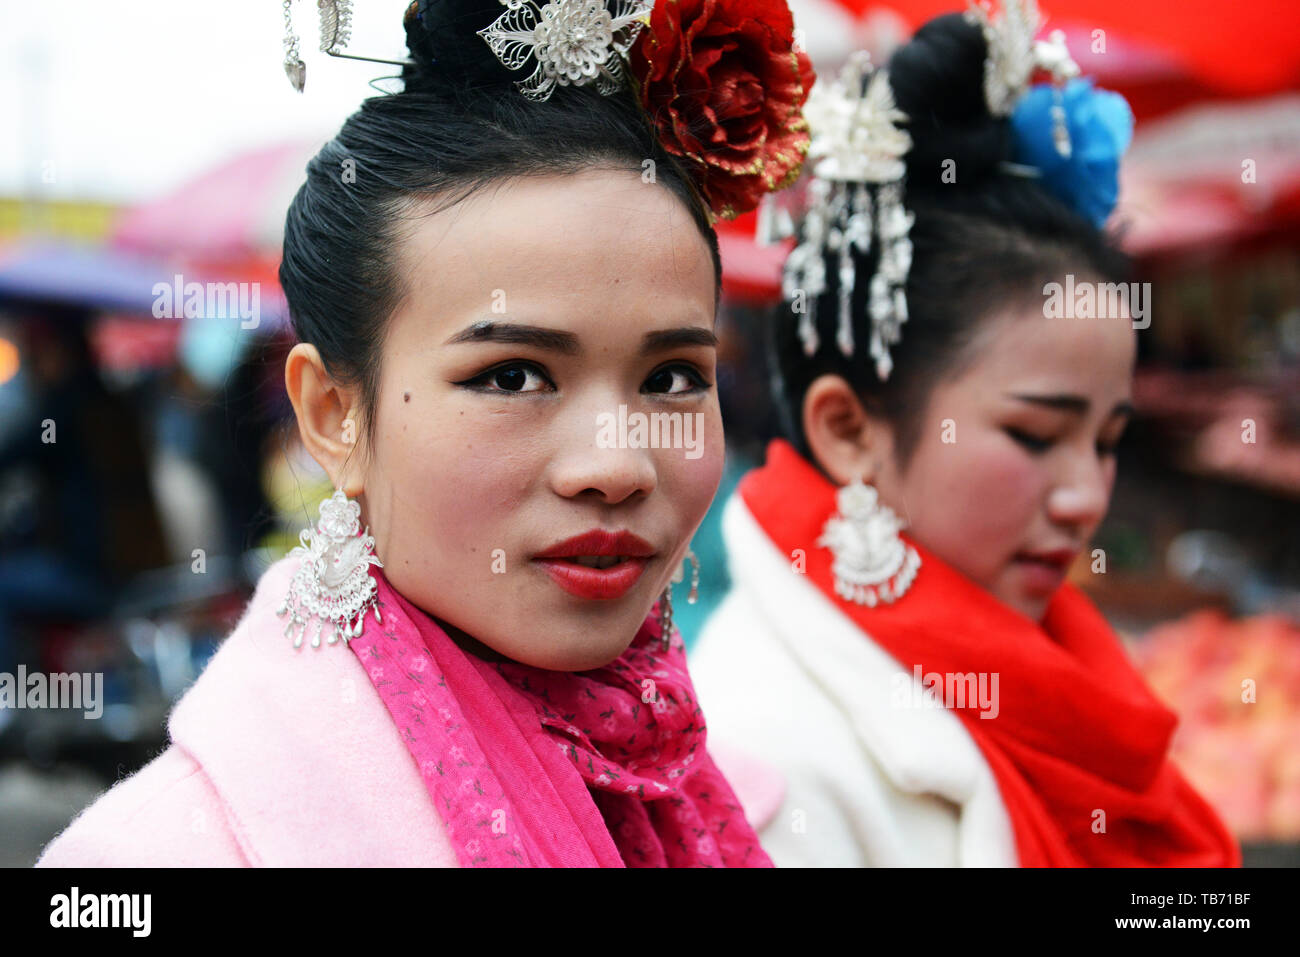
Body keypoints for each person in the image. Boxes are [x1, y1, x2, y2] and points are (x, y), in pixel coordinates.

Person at [36, 0, 814, 867]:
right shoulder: (153, 857)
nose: (617, 464)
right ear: (334, 414)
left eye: (671, 378)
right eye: (512, 376)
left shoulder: (727, 797)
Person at [688, 6, 1242, 867]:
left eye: (1105, 440)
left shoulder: (1061, 665)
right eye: (1033, 434)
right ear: (849, 429)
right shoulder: (766, 756)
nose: (1087, 498)